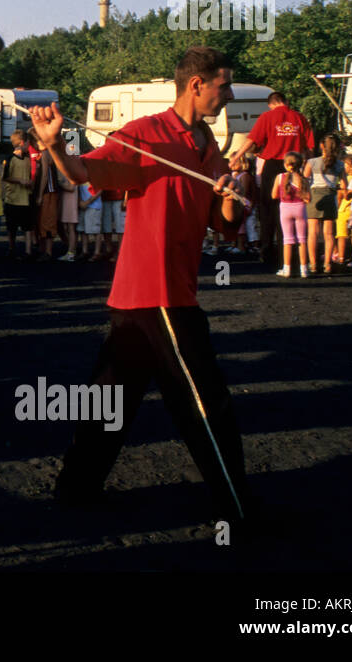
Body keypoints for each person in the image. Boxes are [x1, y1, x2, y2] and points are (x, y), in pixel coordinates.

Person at [33, 46, 256, 528]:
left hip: (151, 297)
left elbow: (225, 222)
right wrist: (53, 145)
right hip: (158, 296)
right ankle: (237, 511)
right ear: (196, 85)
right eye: (224, 84)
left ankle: (75, 490)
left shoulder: (207, 145)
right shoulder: (143, 136)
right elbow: (81, 171)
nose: (229, 94)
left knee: (110, 399)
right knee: (205, 401)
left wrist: (234, 196)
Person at [229, 91, 314, 266]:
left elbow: (251, 140)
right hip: (293, 164)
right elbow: (309, 146)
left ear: (271, 104)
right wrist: (307, 166)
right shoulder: (299, 117)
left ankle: (267, 252)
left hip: (273, 165)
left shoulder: (267, 117)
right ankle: (288, 253)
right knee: (291, 206)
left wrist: (237, 156)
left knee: (267, 209)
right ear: (286, 101)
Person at [303, 134, 344, 274]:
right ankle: (327, 263)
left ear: (321, 146)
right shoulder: (340, 164)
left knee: (313, 232)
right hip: (331, 196)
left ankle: (313, 264)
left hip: (315, 196)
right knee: (329, 234)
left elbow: (304, 180)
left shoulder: (312, 162)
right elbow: (344, 185)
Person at [271, 151, 311, 278]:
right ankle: (304, 269)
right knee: (302, 240)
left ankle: (286, 268)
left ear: (285, 164)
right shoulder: (303, 179)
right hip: (300, 208)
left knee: (287, 240)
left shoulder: (280, 177)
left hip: (285, 208)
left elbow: (274, 195)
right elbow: (308, 198)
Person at [2, 130, 34, 259]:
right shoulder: (9, 159)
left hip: (26, 199)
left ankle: (28, 251)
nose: (29, 145)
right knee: (12, 228)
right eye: (27, 143)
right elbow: (5, 177)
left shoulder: (28, 159)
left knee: (27, 227)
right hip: (13, 199)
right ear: (22, 143)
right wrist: (20, 181)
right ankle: (11, 248)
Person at [30, 129, 60, 261]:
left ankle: (47, 251)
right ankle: (44, 250)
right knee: (43, 221)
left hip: (49, 191)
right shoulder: (48, 151)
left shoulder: (45, 153)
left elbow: (44, 177)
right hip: (49, 191)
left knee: (47, 221)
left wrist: (40, 194)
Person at [77, 181, 103, 261]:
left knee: (95, 230)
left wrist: (87, 202)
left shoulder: (96, 172)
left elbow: (100, 189)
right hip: (83, 205)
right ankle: (85, 251)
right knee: (83, 230)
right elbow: (78, 189)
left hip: (94, 206)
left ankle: (97, 252)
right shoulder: (81, 173)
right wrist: (80, 201)